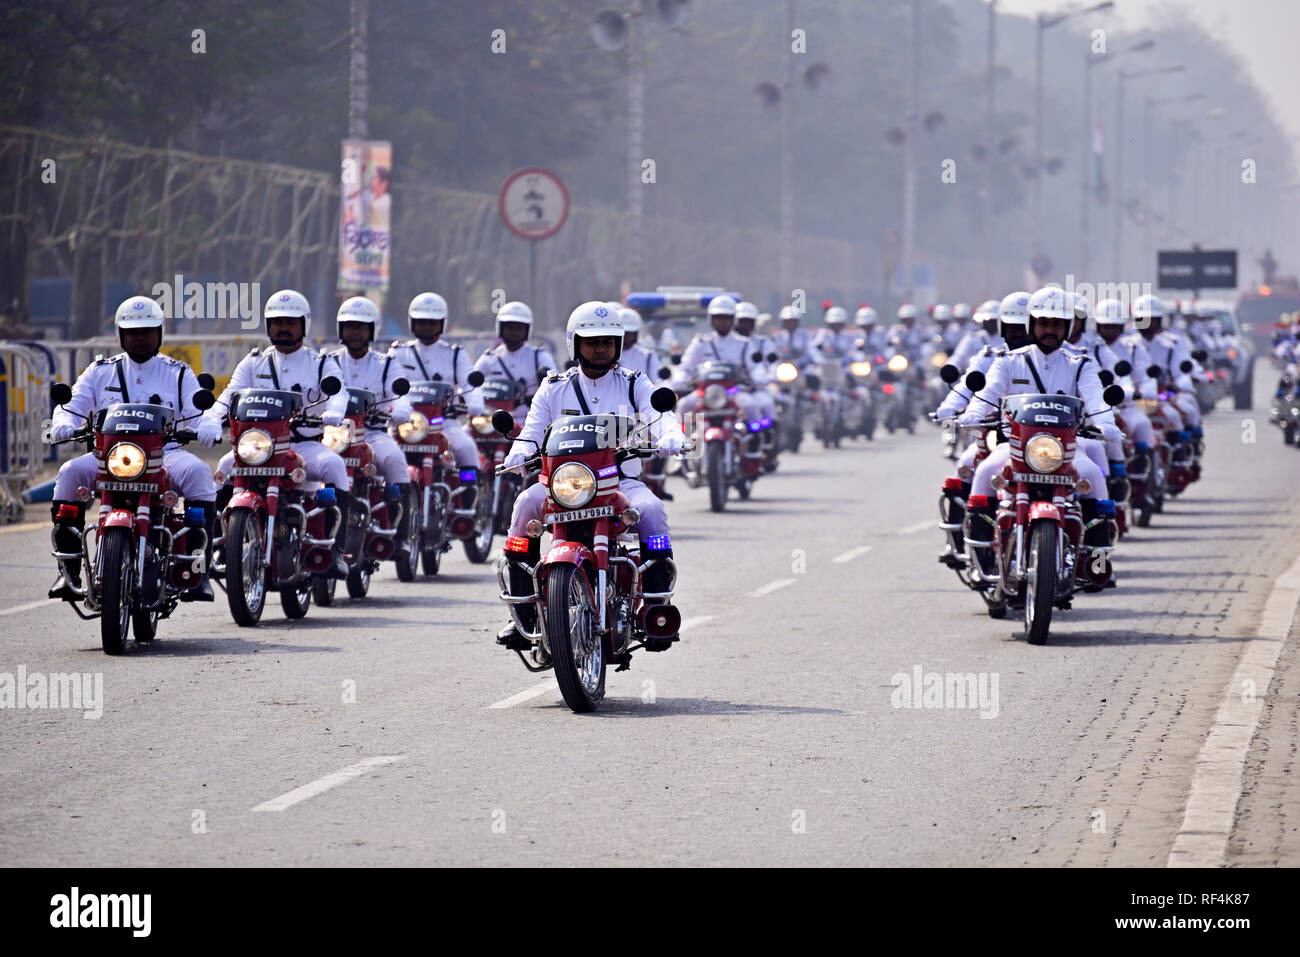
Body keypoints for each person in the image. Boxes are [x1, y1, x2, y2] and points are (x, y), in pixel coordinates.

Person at [495, 301, 686, 650]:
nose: (601, 349)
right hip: (563, 486)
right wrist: (518, 454)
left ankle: (657, 607)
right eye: (592, 341)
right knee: (524, 504)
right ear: (574, 344)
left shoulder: (633, 383)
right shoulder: (553, 386)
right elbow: (531, 431)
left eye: (608, 342)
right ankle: (521, 615)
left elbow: (660, 415)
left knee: (654, 511)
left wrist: (671, 436)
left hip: (620, 483)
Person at [47, 296, 221, 601]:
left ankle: (198, 571)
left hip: (165, 455)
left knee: (198, 472)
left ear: (160, 333)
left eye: (147, 331)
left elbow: (201, 412)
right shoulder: (99, 371)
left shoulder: (178, 372)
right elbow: (72, 407)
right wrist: (62, 421)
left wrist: (207, 426)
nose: (140, 338)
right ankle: (68, 571)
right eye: (133, 331)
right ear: (120, 334)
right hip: (109, 457)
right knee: (69, 472)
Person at [959, 286, 1121, 573]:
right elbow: (986, 394)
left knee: (1095, 475)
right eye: (1044, 323)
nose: (1050, 330)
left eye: (1057, 325)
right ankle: (980, 560)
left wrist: (1106, 424)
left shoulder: (1080, 364)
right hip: (1015, 448)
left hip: (1067, 451)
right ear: (1032, 325)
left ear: (1067, 327)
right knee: (984, 473)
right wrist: (972, 414)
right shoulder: (1008, 361)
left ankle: (1096, 564)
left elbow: (1096, 399)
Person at [206, 289, 352, 578]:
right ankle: (223, 544)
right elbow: (230, 395)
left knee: (335, 466)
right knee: (223, 467)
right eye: (277, 322)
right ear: (268, 325)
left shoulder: (320, 362)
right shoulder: (253, 362)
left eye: (291, 322)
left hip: (304, 446)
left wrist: (334, 410)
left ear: (304, 325)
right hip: (258, 447)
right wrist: (211, 418)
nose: (283, 327)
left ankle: (335, 551)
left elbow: (339, 391)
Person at [933, 290, 1031, 566]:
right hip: (999, 436)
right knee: (965, 469)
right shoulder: (991, 356)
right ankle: (962, 546)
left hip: (1045, 444)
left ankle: (1091, 555)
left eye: (1023, 327)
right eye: (1011, 327)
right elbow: (971, 387)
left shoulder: (1057, 357)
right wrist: (950, 407)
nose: (1017, 334)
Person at [329, 296, 417, 557]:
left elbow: (400, 395)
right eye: (349, 326)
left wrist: (398, 411)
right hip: (335, 435)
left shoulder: (386, 363)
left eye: (361, 327)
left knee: (395, 460)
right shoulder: (328, 361)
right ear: (340, 329)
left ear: (372, 330)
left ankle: (400, 536)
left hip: (373, 434)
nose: (354, 332)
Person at [386, 292, 486, 501]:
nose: (427, 326)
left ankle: (469, 498)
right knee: (381, 457)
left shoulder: (455, 353)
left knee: (467, 448)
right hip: (406, 424)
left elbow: (469, 382)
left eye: (432, 322)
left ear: (442, 324)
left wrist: (474, 403)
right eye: (421, 322)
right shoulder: (398, 353)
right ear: (412, 323)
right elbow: (389, 386)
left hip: (443, 422)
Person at [674, 295, 767, 426]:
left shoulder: (744, 343)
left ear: (733, 320)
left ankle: (755, 443)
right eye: (718, 318)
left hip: (733, 391)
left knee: (752, 406)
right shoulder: (700, 342)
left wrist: (759, 378)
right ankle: (677, 441)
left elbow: (755, 367)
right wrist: (678, 382)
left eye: (726, 318)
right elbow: (686, 367)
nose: (722, 322)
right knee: (684, 405)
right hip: (704, 392)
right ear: (711, 320)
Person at [473, 300, 558, 421]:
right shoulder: (488, 358)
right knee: (465, 438)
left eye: (519, 328)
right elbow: (470, 385)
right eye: (509, 327)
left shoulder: (539, 356)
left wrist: (536, 398)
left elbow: (555, 386)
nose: (514, 332)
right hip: (491, 422)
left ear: (527, 330)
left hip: (529, 420)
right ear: (500, 328)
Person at [948, 299, 1002, 372]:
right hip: (974, 378)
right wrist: (950, 368)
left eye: (993, 321)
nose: (990, 324)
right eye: (987, 321)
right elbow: (958, 358)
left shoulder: (1005, 339)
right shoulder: (972, 338)